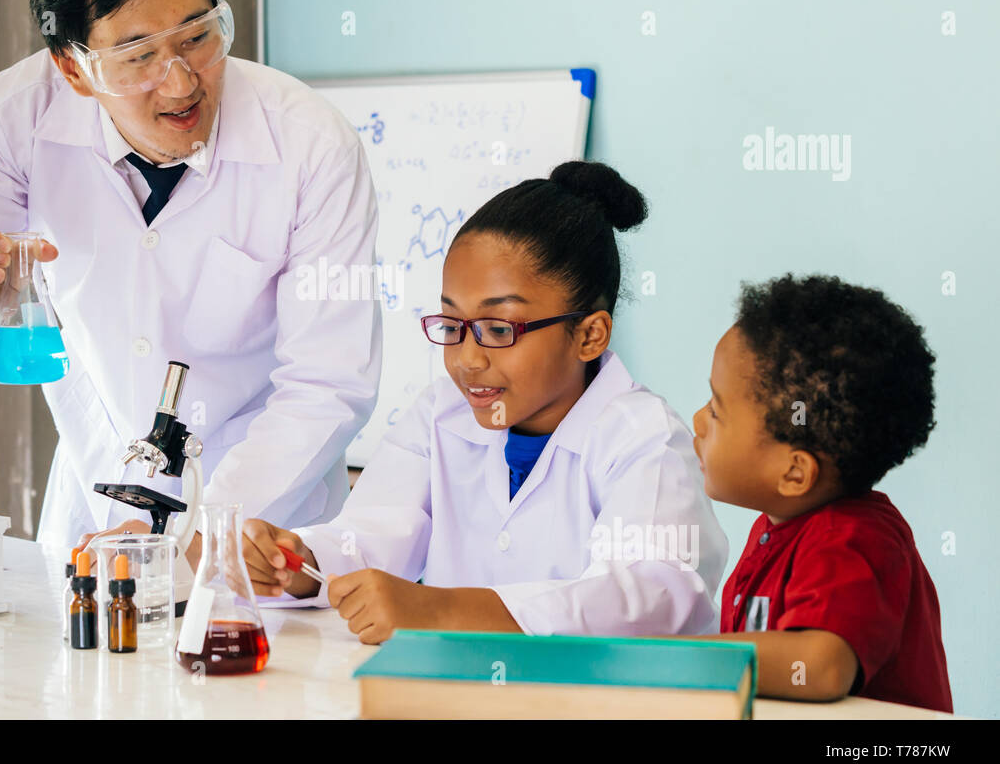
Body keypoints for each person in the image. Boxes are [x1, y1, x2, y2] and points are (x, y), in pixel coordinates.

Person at [0, 0, 382, 550]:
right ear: (72, 67)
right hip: (96, 517)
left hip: (262, 523)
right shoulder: (18, 115)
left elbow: (328, 380)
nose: (179, 84)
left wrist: (204, 533)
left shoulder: (308, 142)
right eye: (139, 55)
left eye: (198, 37)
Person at [242, 161, 728, 643]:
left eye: (499, 329)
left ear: (589, 335)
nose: (467, 360)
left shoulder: (645, 439)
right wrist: (299, 561)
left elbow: (651, 596)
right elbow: (373, 533)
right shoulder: (441, 415)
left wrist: (442, 610)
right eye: (453, 326)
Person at [689, 275, 952, 710]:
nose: (699, 420)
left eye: (717, 410)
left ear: (795, 473)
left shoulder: (853, 539)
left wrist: (676, 656)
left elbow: (818, 667)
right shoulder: (775, 530)